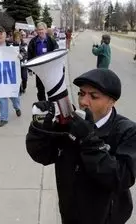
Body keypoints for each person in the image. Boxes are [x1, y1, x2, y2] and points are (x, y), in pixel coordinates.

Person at [26, 68, 136, 224]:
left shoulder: (128, 131)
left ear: (112, 101)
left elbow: (121, 178)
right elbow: (42, 155)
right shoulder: (70, 123)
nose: (84, 102)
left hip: (106, 218)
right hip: (70, 213)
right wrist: (40, 128)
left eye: (93, 96)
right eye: (81, 93)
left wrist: (88, 140)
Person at [0, 26, 22, 127]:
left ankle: (17, 107)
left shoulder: (13, 45)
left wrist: (21, 56)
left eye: (1, 33)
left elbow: (24, 52)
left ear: (5, 35)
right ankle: (4, 118)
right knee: (1, 97)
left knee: (14, 96)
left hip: (11, 76)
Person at [28, 22, 58, 101]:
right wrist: (30, 69)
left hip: (49, 69)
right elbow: (30, 55)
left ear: (45, 30)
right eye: (39, 30)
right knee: (40, 89)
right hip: (39, 70)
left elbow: (56, 52)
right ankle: (43, 106)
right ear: (37, 31)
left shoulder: (51, 40)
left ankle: (52, 105)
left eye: (42, 29)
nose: (40, 31)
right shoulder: (33, 42)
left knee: (50, 88)